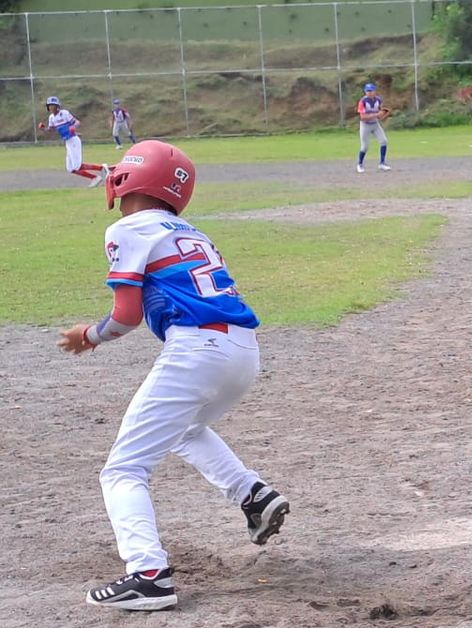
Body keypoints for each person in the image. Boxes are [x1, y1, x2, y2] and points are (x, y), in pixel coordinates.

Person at [57, 140, 290, 611]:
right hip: (243, 350)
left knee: (123, 470)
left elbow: (126, 315)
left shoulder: (128, 227)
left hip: (197, 350)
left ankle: (148, 575)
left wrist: (90, 335)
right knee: (185, 429)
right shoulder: (188, 229)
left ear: (129, 179)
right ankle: (252, 494)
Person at [38, 96, 107, 186]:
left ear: (57, 106)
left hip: (73, 140)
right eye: (49, 105)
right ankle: (95, 177)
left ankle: (101, 169)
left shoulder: (64, 113)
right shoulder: (51, 118)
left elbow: (77, 122)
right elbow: (51, 130)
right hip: (68, 142)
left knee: (77, 166)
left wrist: (73, 127)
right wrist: (43, 129)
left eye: (53, 105)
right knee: (70, 169)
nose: (51, 107)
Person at [356, 82, 391, 173]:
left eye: (371, 91)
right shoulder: (362, 101)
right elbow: (363, 117)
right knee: (365, 146)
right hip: (365, 125)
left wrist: (384, 114)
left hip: (375, 124)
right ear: (365, 92)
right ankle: (360, 164)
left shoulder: (378, 100)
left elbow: (381, 111)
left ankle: (382, 163)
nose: (369, 93)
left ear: (375, 91)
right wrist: (376, 115)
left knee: (384, 141)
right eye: (367, 91)